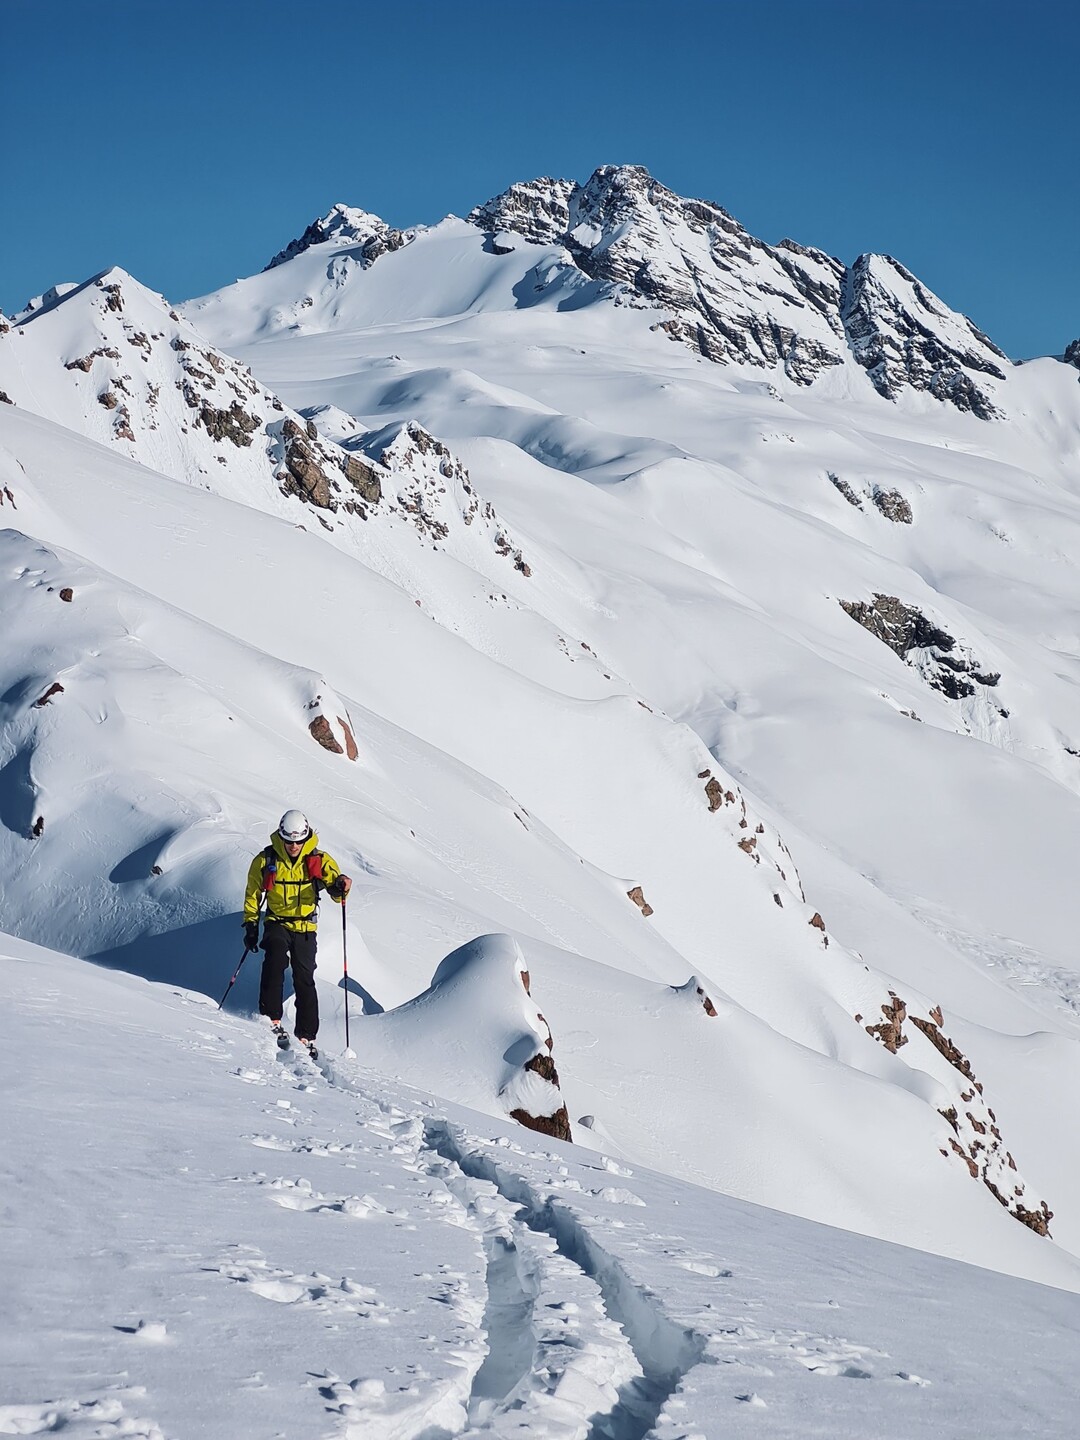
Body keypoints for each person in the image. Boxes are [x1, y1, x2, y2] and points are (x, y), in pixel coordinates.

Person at [243, 809, 351, 1052]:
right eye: (290, 841)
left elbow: (336, 890)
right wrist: (251, 925)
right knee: (274, 961)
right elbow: (252, 893)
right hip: (276, 922)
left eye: (299, 841)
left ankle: (306, 1034)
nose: (294, 846)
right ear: (281, 837)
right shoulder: (266, 860)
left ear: (306, 837)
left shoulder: (319, 859)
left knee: (305, 976)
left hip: (305, 926)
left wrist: (340, 887)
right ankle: (271, 1018)